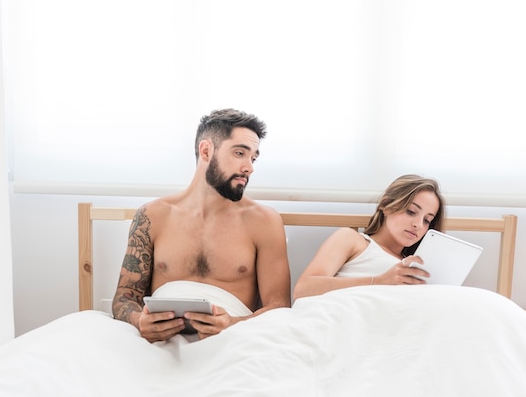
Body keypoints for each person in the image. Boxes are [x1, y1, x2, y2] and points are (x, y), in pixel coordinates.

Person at [112, 108, 291, 342]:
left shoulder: (264, 222)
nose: (249, 167)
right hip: (158, 344)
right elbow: (124, 298)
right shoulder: (152, 216)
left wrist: (231, 324)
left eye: (253, 158)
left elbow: (279, 308)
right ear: (206, 150)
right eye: (240, 153)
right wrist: (139, 321)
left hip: (231, 340)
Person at [293, 174, 445, 300]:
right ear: (386, 205)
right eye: (411, 211)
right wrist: (380, 281)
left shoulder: (417, 269)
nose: (418, 224)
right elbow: (303, 289)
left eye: (427, 220)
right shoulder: (354, 240)